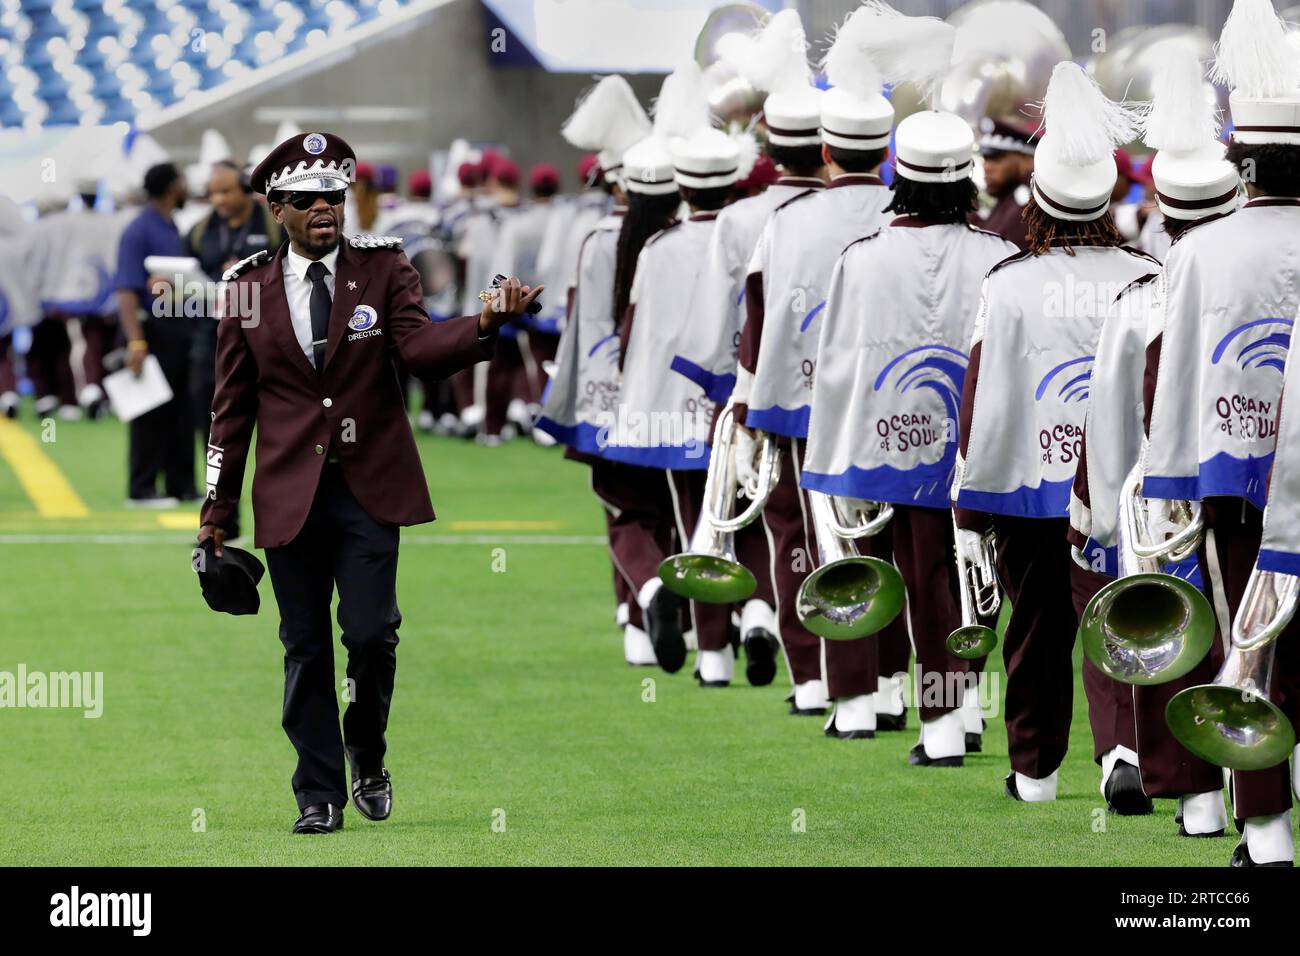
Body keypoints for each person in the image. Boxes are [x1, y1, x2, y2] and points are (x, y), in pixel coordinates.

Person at [197, 131, 541, 834]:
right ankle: (317, 793)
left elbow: (417, 349)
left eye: (335, 195)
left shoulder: (386, 270)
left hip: (368, 489)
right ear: (278, 208)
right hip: (288, 497)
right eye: (307, 199)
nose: (325, 207)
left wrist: (482, 324)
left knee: (370, 634)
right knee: (304, 647)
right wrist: (215, 510)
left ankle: (369, 751)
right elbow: (229, 411)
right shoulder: (247, 289)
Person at [954, 62, 1162, 807]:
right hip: (1124, 489)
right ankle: (1123, 752)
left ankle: (1036, 776)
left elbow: (981, 398)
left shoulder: (1007, 281)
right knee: (1119, 617)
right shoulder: (1147, 274)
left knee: (1036, 632)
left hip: (1027, 488)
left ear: (1036, 198)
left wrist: (970, 508)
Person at [802, 105, 1017, 765]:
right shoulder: (1002, 255)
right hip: (982, 442)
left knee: (911, 579)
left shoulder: (861, 258)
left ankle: (936, 724)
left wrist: (837, 454)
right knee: (975, 578)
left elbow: (838, 364)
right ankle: (964, 713)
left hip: (889, 439)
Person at [1142, 0, 1300, 866]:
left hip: (1237, 480)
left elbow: (1170, 380)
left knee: (1254, 644)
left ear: (1242, 160)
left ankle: (1270, 837)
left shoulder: (1201, 251)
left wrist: (1169, 485)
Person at [1067, 46, 1240, 837]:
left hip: (1167, 499)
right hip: (1262, 485)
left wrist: (1102, 517)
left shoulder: (1141, 301)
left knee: (1184, 638)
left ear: (1163, 208)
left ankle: (1202, 802)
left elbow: (1108, 420)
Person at [735, 3, 904, 729]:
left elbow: (758, 319)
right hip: (899, 403)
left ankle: (835, 687)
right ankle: (900, 687)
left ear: (827, 151)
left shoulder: (786, 222)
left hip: (806, 404)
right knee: (894, 543)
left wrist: (750, 404)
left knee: (810, 539)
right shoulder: (907, 213)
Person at [669, 8, 826, 687]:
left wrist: (716, 388)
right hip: (849, 394)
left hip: (756, 385)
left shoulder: (736, 218)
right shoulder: (872, 210)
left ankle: (773, 660)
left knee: (771, 521)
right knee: (841, 534)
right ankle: (866, 685)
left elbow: (714, 322)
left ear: (766, 142)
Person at [608, 62, 757, 683]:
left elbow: (632, 331)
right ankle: (732, 641)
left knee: (687, 516)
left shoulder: (657, 248)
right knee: (729, 519)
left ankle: (711, 650)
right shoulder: (753, 234)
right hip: (744, 398)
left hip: (669, 405)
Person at [536, 75, 662, 665]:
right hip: (675, 398)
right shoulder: (678, 235)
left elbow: (579, 326)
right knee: (671, 511)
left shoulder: (596, 240)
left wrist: (562, 401)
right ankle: (688, 628)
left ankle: (641, 612)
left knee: (622, 510)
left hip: (609, 395)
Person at [114, 162, 198, 507]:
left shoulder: (171, 225)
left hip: (178, 328)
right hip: (152, 330)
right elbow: (126, 290)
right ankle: (142, 488)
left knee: (181, 411)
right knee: (149, 411)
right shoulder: (138, 230)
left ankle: (181, 484)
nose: (186, 186)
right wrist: (135, 341)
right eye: (181, 181)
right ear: (170, 187)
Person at [185, 160, 283, 439]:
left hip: (262, 329)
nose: (218, 199)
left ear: (245, 189)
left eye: (226, 191)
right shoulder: (201, 231)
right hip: (211, 329)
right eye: (213, 193)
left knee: (274, 410)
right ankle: (214, 472)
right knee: (206, 402)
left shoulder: (273, 225)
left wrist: (248, 275)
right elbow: (183, 272)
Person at [28, 177, 124, 419]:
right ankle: (93, 393)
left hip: (68, 297)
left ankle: (84, 393)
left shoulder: (65, 224)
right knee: (96, 346)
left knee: (75, 347)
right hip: (102, 297)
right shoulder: (108, 222)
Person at [970, 118, 1038, 250]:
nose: (986, 166)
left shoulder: (1029, 204)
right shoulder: (1009, 195)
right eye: (985, 159)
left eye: (996, 159)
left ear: (1026, 159)